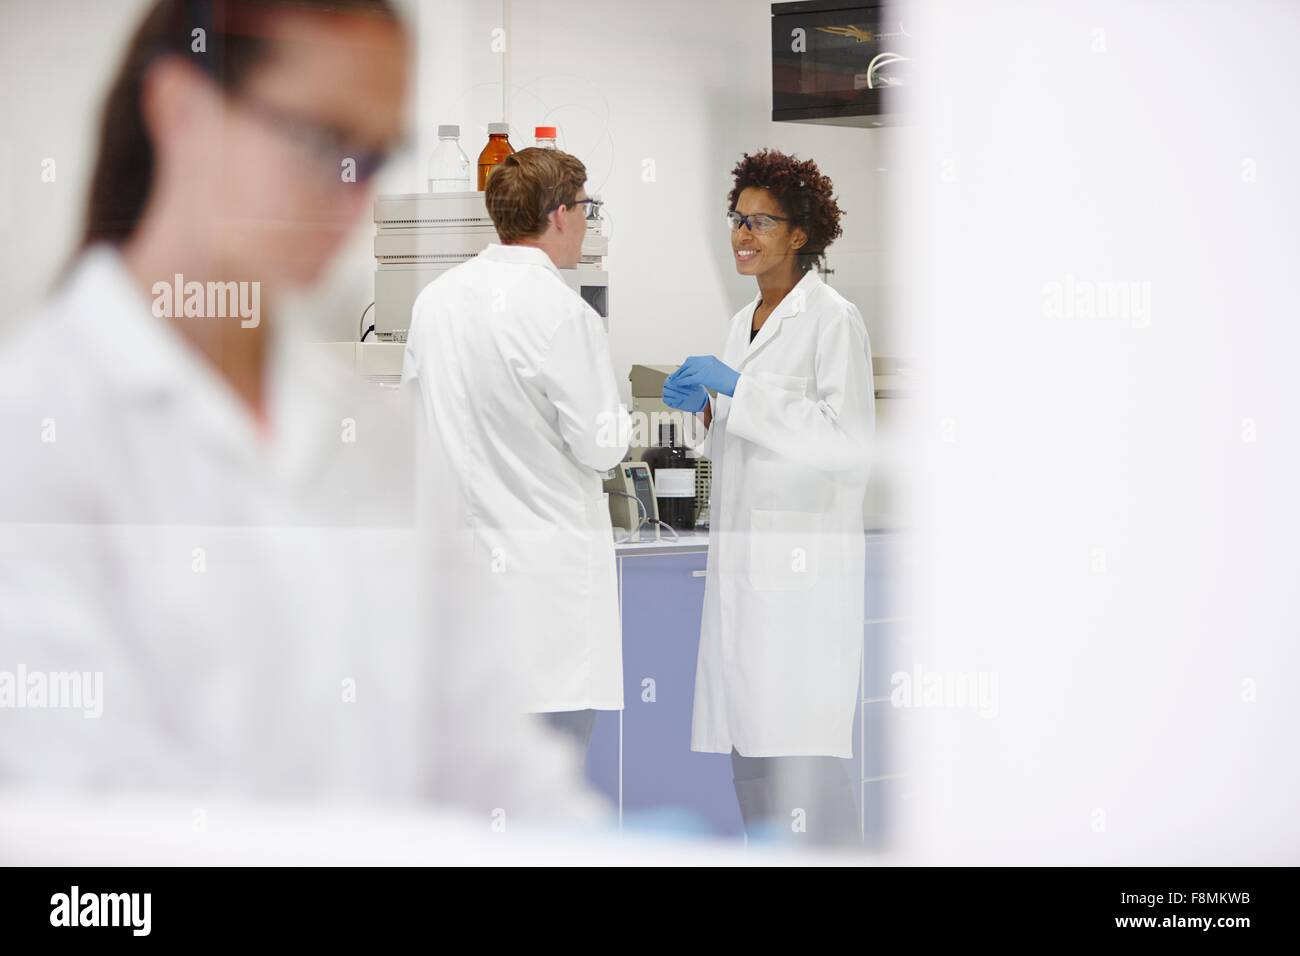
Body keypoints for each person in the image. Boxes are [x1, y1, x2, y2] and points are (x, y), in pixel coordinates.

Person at [0, 0, 603, 826]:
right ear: (180, 110)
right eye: (322, 143)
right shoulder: (37, 426)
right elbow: (93, 823)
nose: (352, 196)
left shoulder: (367, 433)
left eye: (372, 155)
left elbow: (486, 762)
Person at [663, 150, 874, 844]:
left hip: (801, 583)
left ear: (800, 234)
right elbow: (746, 441)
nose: (742, 236)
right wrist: (706, 415)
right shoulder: (742, 320)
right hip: (746, 578)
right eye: (737, 220)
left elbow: (844, 446)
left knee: (803, 772)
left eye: (760, 222)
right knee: (752, 765)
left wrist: (739, 391)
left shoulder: (832, 320)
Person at [402, 148, 630, 757]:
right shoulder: (562, 312)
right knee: (544, 805)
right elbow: (603, 446)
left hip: (460, 602)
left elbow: (415, 429)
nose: (588, 222)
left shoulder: (436, 302)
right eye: (586, 208)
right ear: (558, 214)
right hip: (546, 617)